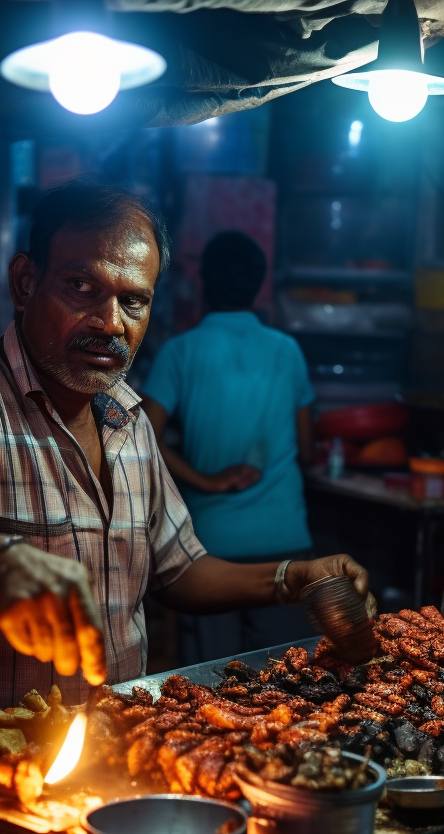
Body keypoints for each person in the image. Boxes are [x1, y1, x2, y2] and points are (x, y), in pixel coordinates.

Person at [0, 179, 366, 722]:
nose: (111, 323)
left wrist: (294, 577)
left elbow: (179, 568)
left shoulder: (126, 415)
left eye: (133, 301)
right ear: (25, 283)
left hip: (114, 762)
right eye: (83, 287)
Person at [142, 231, 315, 662]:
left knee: (213, 690)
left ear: (204, 282)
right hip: (285, 542)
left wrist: (205, 480)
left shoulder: (179, 352)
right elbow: (308, 450)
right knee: (289, 689)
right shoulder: (288, 351)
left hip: (209, 554)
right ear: (259, 286)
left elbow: (139, 433)